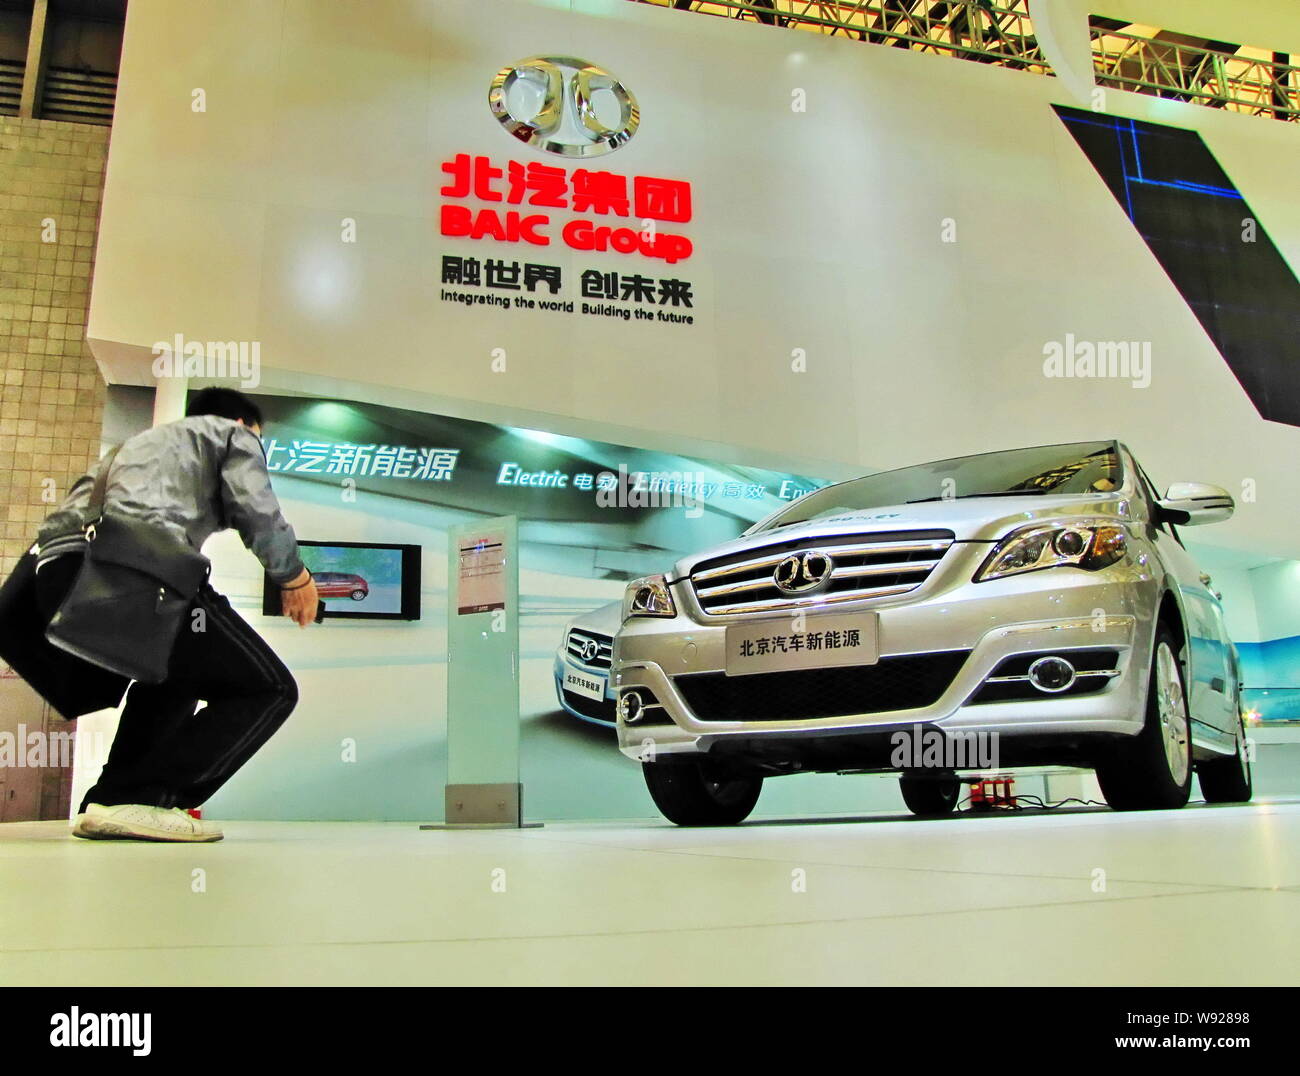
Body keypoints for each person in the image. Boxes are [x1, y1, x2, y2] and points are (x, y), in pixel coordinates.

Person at [4, 387, 318, 843]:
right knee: (269, 688)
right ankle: (148, 795)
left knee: (172, 677)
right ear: (244, 425)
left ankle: (112, 802)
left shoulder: (129, 449)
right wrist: (294, 577)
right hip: (135, 570)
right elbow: (256, 507)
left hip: (56, 575)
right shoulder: (230, 434)